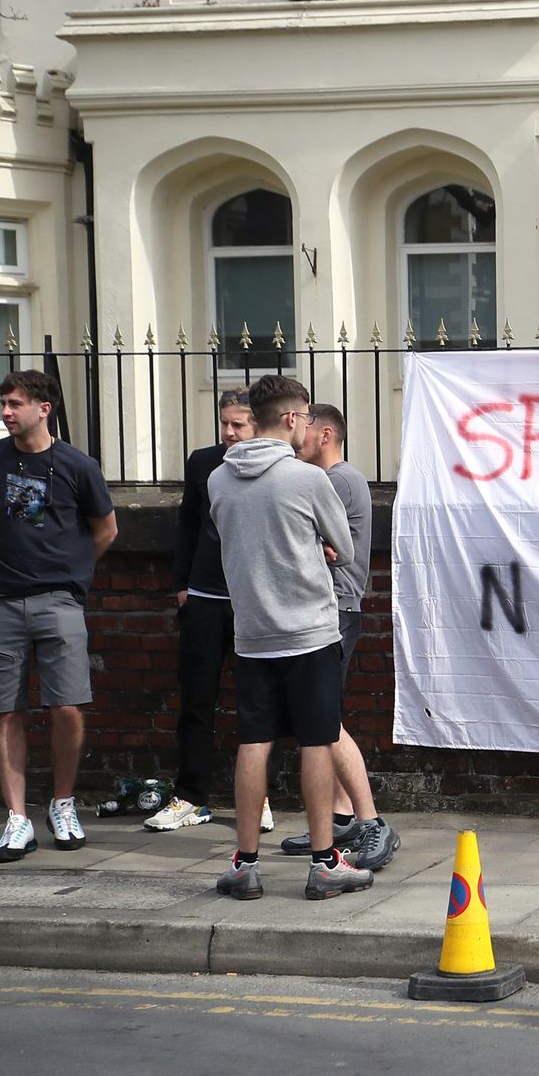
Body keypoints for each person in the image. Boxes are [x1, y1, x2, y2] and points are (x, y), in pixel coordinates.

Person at [209, 374, 373, 901]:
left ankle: (244, 862)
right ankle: (325, 862)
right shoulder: (307, 480)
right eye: (304, 416)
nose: (307, 424)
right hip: (308, 629)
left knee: (253, 741)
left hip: (253, 632)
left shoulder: (218, 479)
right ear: (289, 419)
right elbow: (344, 549)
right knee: (317, 740)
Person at [0, 370, 117, 861]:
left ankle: (62, 803)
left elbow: (106, 528)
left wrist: (74, 573)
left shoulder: (76, 465)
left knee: (67, 706)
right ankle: (17, 817)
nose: (5, 412)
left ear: (45, 408)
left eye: (15, 403)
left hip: (59, 601)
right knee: (5, 710)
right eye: (2, 402)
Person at [278, 402, 400, 871]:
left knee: (322, 717)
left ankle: (365, 822)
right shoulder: (335, 480)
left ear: (325, 433)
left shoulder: (336, 480)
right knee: (323, 716)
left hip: (337, 607)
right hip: (330, 607)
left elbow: (325, 547)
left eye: (305, 429)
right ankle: (341, 817)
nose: (298, 437)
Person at [149, 389, 276, 835]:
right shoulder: (203, 462)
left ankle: (258, 799)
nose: (228, 432)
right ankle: (191, 796)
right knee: (196, 699)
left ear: (257, 425)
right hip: (203, 595)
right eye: (224, 422)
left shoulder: (275, 465)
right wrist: (181, 584)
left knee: (257, 704)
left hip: (253, 599)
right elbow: (186, 522)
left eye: (238, 424)